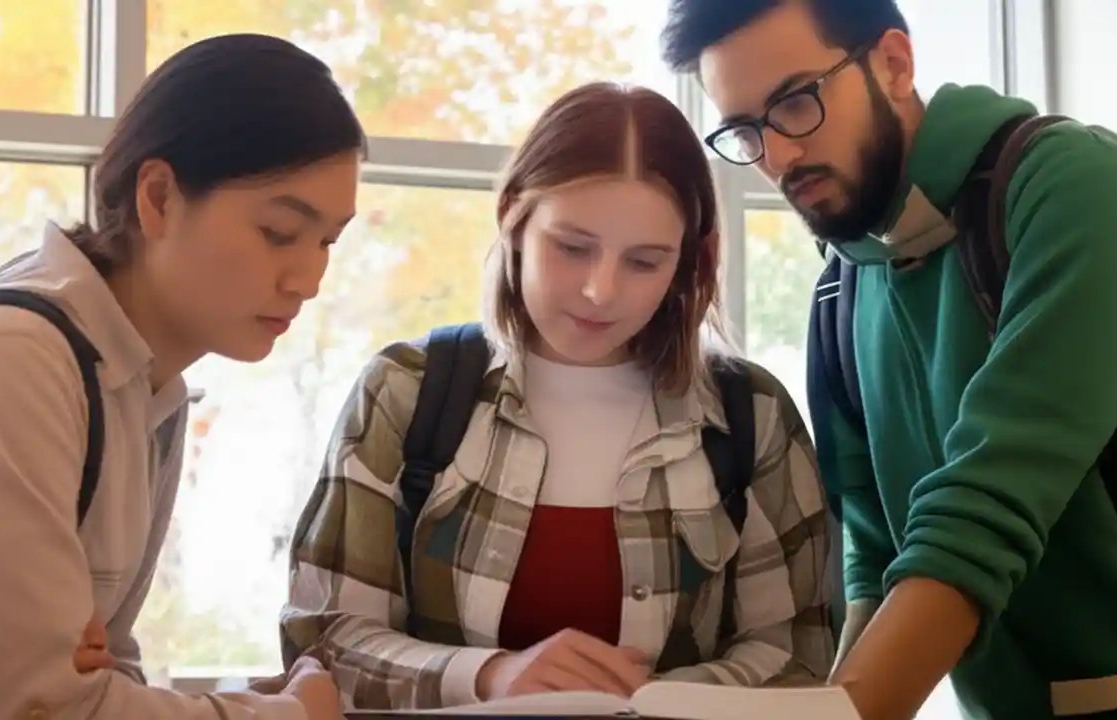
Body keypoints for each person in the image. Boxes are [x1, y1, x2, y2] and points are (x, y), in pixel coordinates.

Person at [280, 81, 834, 710]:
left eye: (645, 262)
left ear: (688, 264)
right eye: (572, 248)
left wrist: (656, 701)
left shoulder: (749, 415)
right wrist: (491, 677)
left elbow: (797, 654)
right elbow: (322, 643)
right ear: (513, 217)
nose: (601, 291)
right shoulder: (405, 392)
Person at [661, 1, 1117, 719]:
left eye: (795, 102)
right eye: (744, 131)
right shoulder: (842, 289)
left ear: (893, 63)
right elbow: (875, 551)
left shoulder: (1081, 187)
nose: (778, 157)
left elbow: (987, 504)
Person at [0, 33, 362, 720]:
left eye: (328, 242)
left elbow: (101, 673)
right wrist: (290, 715)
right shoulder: (11, 363)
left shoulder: (148, 388)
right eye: (279, 232)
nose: (308, 279)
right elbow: (33, 711)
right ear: (157, 196)